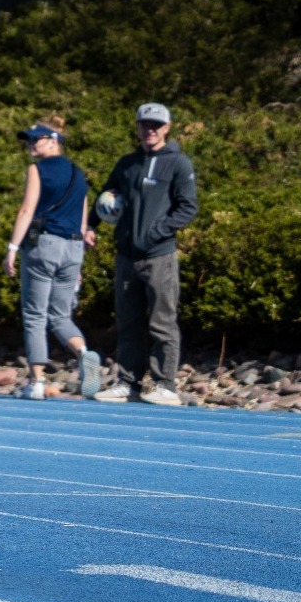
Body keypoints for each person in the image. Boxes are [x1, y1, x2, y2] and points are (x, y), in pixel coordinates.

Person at [90, 103, 198, 405]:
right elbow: (107, 195)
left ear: (167, 127)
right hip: (126, 257)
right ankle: (128, 382)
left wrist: (157, 231)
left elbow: (188, 207)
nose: (149, 130)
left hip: (159, 256)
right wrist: (91, 225)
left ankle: (166, 385)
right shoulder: (127, 163)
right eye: (144, 125)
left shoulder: (178, 163)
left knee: (162, 321)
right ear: (137, 127)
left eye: (155, 125)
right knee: (128, 321)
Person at [4, 118, 102, 400]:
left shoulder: (38, 169)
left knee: (35, 314)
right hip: (73, 249)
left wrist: (12, 247)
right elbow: (82, 221)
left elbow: (27, 209)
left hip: (44, 246)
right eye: (30, 140)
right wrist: (79, 262)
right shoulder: (78, 172)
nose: (31, 145)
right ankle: (84, 353)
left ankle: (35, 382)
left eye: (36, 139)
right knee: (60, 315)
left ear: (53, 140)